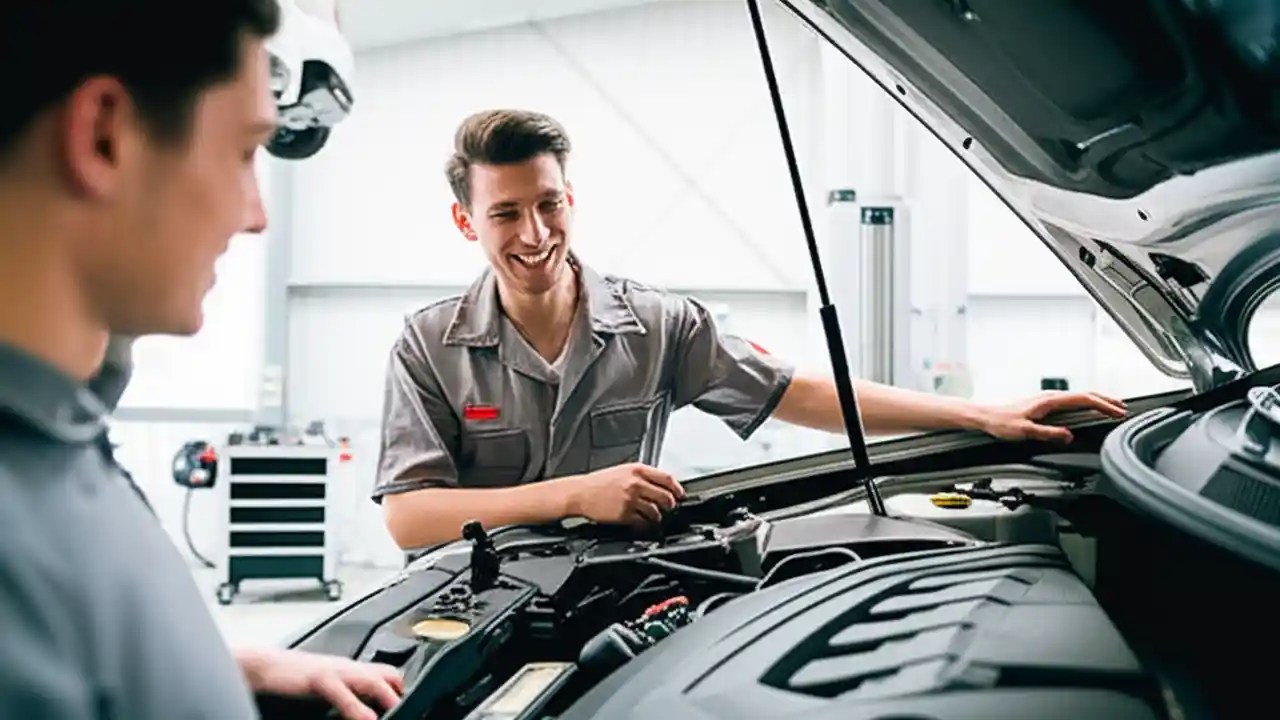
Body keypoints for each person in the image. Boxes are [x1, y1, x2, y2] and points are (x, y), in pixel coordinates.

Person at [373, 110, 1127, 550]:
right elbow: (410, 517)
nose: (535, 233)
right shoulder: (428, 346)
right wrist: (575, 494)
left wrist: (982, 416)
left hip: (610, 588)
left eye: (548, 204)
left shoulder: (657, 325)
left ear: (571, 197)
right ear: (466, 221)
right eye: (506, 213)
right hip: (472, 602)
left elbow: (798, 394)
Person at [0, 2, 402, 719]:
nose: (256, 214)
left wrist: (226, 668)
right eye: (244, 152)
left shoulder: (62, 434)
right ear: (104, 136)